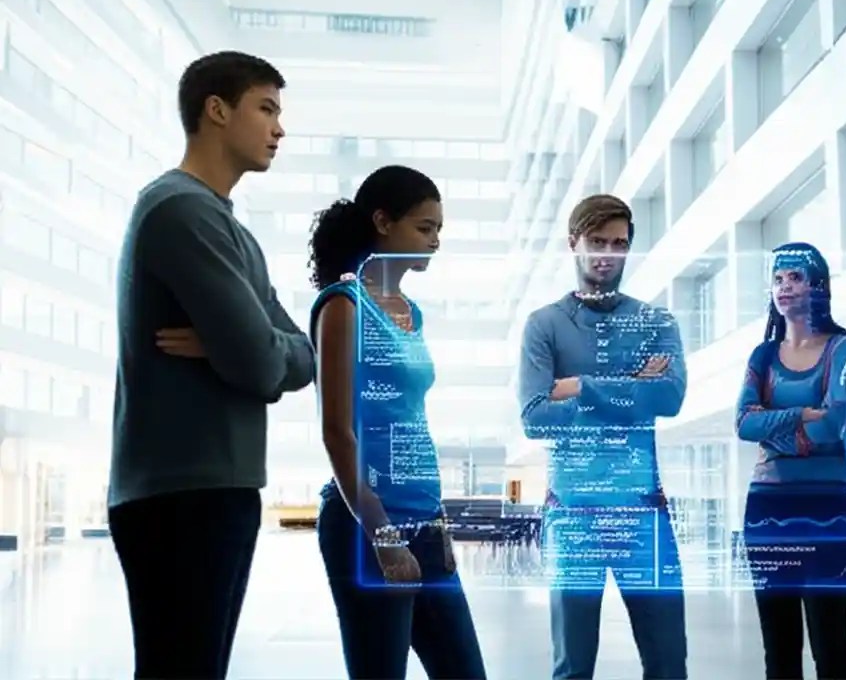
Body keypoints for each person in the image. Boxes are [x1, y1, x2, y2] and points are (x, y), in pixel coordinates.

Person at [110, 51, 315, 679]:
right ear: (217, 110)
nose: (279, 128)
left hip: (213, 488)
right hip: (181, 493)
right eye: (267, 108)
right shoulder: (182, 210)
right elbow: (259, 362)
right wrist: (243, 344)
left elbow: (303, 355)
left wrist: (238, 342)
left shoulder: (230, 228)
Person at [307, 165, 488, 680]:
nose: (435, 241)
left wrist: (441, 524)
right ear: (383, 222)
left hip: (425, 523)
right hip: (367, 525)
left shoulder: (413, 312)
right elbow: (337, 432)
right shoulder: (343, 306)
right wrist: (384, 536)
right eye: (424, 228)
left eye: (439, 231)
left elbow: (413, 423)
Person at [517, 194, 688, 680]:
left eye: (619, 244)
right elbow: (535, 418)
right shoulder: (544, 325)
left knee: (668, 663)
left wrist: (582, 387)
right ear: (574, 243)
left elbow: (670, 398)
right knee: (572, 668)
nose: (607, 255)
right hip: (573, 517)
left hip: (643, 515)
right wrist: (633, 387)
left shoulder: (656, 322)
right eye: (597, 242)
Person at [735, 242, 846, 680]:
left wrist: (772, 429)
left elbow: (832, 426)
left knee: (831, 646)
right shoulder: (763, 356)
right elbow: (742, 424)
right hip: (767, 513)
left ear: (818, 285)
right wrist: (800, 416)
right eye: (777, 278)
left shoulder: (844, 349)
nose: (785, 287)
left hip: (828, 511)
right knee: (779, 650)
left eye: (796, 277)